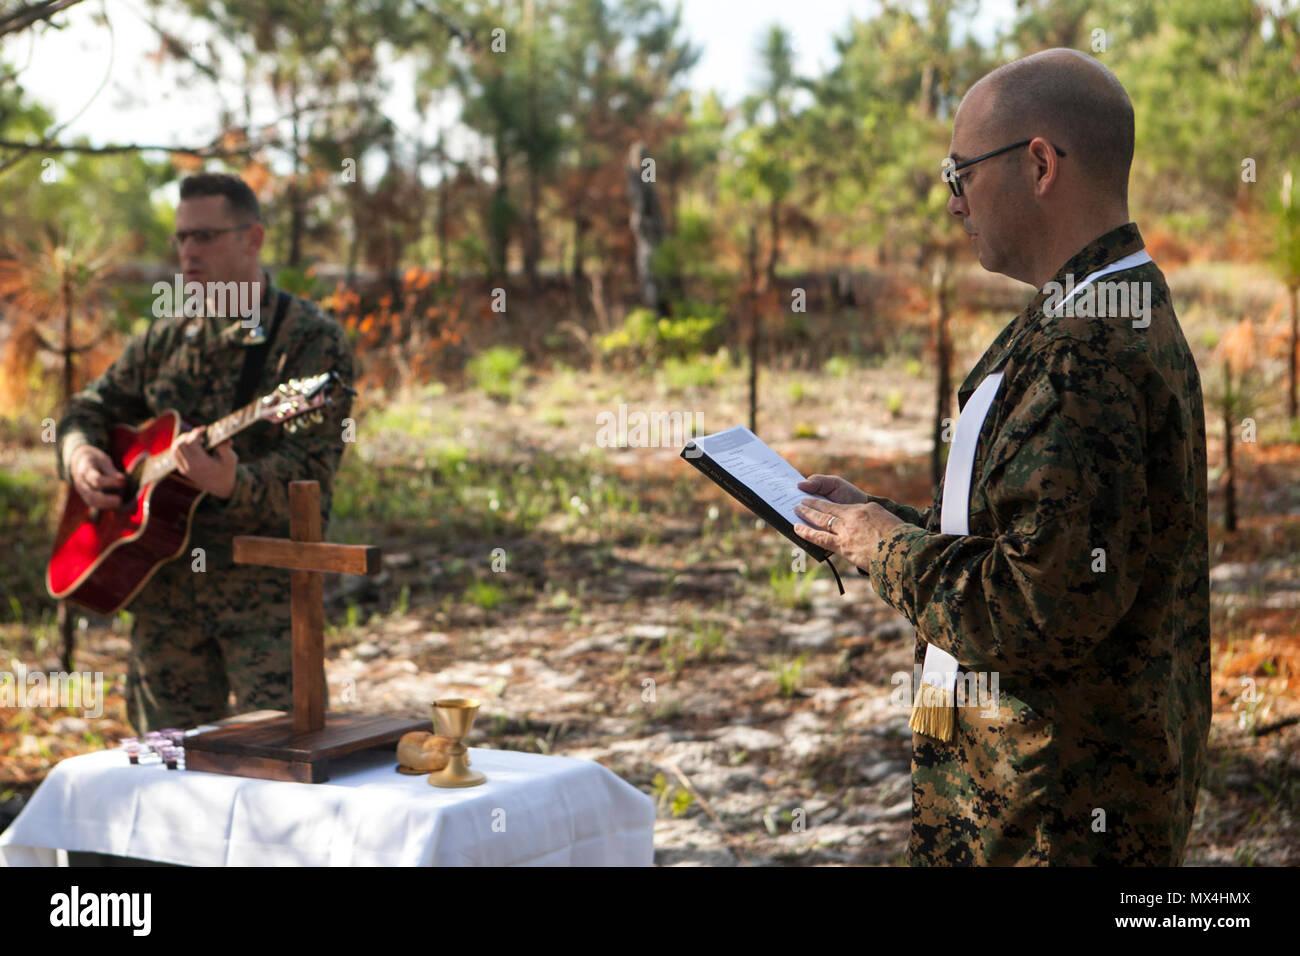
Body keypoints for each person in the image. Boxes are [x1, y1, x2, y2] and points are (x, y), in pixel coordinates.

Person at [792, 49, 1210, 865]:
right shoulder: (1105, 307)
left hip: (1054, 815)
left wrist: (880, 545)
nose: (952, 203)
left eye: (960, 172)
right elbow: (1037, 539)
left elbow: (1034, 609)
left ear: (1041, 163)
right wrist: (875, 521)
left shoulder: (1080, 354)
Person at [56, 172, 355, 733]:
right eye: (182, 238)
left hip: (264, 608)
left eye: (207, 237)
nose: (189, 252)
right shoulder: (166, 339)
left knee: (283, 778)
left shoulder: (309, 342)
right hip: (164, 606)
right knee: (170, 788)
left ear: (253, 239)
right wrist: (80, 456)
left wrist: (231, 485)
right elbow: (87, 408)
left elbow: (314, 469)